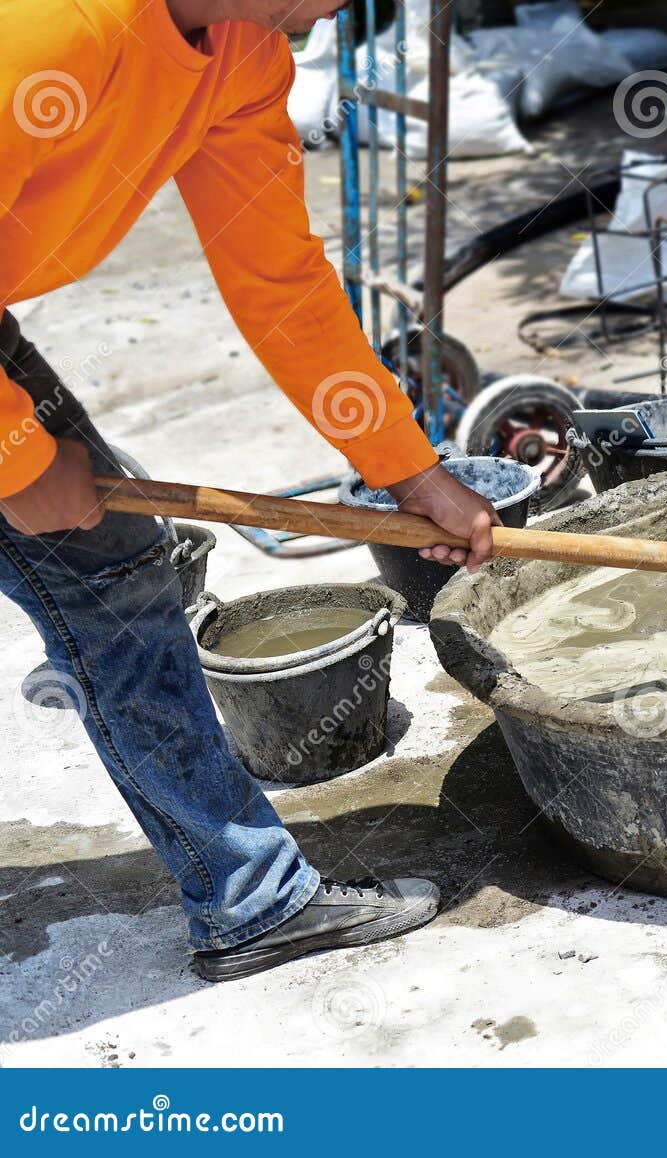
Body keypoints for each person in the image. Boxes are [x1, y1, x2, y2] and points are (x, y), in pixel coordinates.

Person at [1, 0, 499, 981]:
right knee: (111, 576)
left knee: (118, 572)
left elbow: (279, 279)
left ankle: (248, 896)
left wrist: (409, 470)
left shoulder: (242, 53)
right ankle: (249, 897)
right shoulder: (55, 29)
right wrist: (15, 454)